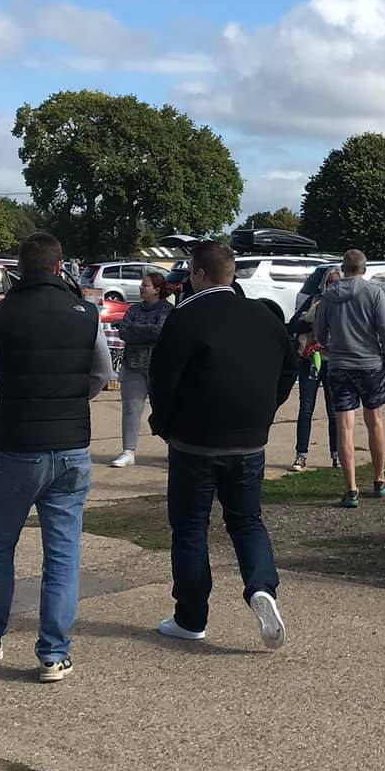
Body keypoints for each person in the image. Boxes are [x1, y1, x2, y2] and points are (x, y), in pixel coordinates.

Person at [0, 232, 113, 681]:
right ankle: (53, 652)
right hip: (71, 446)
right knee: (62, 551)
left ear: (19, 270)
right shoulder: (87, 314)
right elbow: (103, 372)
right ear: (60, 267)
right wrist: (71, 395)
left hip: (19, 446)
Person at [146, 241, 298, 648]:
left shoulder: (185, 318)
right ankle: (262, 586)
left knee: (191, 526)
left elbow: (162, 379)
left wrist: (163, 423)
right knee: (247, 520)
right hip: (249, 439)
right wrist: (266, 408)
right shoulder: (264, 316)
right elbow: (289, 367)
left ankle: (191, 616)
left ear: (197, 274)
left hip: (196, 441)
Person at [314, 248, 385, 509]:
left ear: (343, 267)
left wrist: (328, 346)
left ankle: (350, 489)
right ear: (364, 268)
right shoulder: (373, 292)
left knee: (344, 426)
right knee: (375, 421)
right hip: (370, 364)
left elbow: (318, 329)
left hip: (339, 365)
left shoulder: (328, 295)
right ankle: (379, 478)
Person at [112, 269, 170, 468]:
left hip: (158, 367)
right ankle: (128, 451)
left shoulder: (166, 310)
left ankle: (173, 448)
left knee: (164, 408)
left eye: (145, 285)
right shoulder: (134, 309)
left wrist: (137, 329)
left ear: (157, 289)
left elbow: (160, 331)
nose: (141, 288)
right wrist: (144, 330)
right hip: (133, 365)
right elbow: (123, 331)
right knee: (131, 409)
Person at [289, 268, 340, 473]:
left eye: (337, 283)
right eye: (330, 283)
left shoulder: (344, 304)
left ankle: (336, 454)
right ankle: (301, 455)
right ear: (323, 285)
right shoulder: (313, 300)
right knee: (306, 408)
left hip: (332, 361)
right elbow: (292, 325)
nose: (333, 287)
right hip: (309, 359)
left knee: (334, 411)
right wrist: (310, 322)